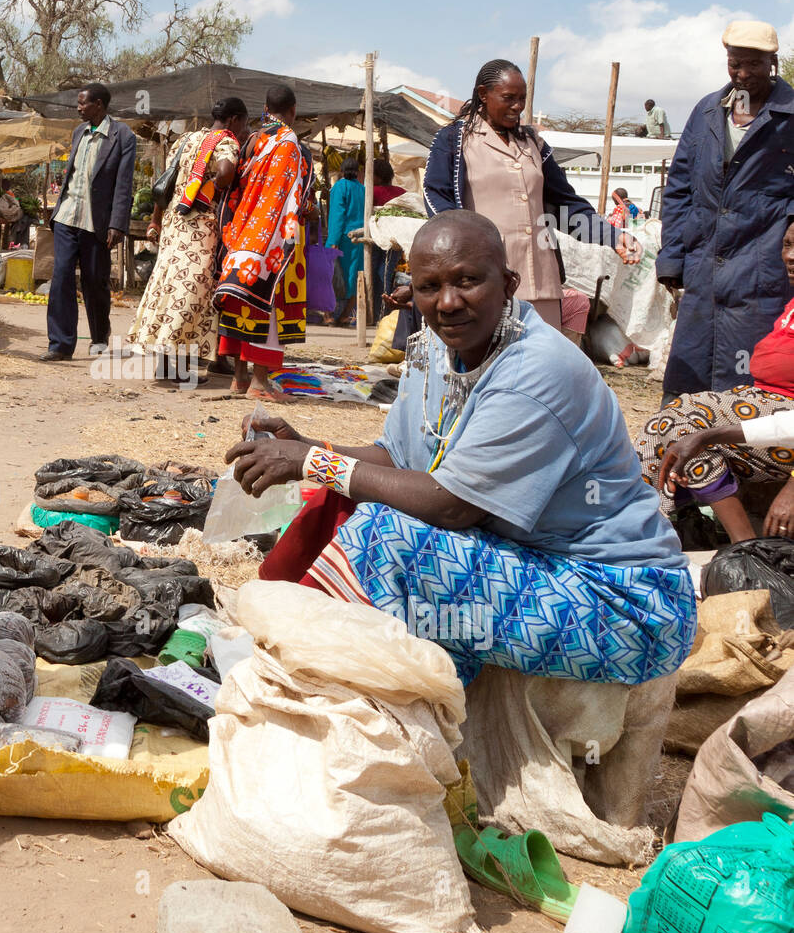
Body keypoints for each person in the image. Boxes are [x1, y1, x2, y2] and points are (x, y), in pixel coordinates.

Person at [228, 211, 694, 688]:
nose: (448, 302)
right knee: (342, 493)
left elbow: (450, 506)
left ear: (508, 284)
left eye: (468, 281)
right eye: (430, 287)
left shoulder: (536, 370)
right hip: (536, 559)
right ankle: (280, 643)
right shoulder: (432, 349)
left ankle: (303, 671)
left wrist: (313, 462)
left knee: (383, 534)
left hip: (623, 602)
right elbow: (396, 459)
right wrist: (306, 449)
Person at [424, 58, 639, 330]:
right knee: (492, 365)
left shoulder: (534, 144)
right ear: (482, 94)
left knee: (542, 365)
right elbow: (436, 198)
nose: (517, 107)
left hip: (542, 281)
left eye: (522, 99)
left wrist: (613, 236)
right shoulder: (454, 141)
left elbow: (566, 205)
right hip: (486, 281)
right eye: (508, 98)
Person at [657, 21, 794, 397]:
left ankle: (741, 451)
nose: (743, 73)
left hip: (762, 272)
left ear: (773, 63)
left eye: (754, 63)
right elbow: (680, 187)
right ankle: (683, 448)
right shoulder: (707, 111)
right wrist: (672, 259)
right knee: (689, 377)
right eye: (735, 63)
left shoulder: (790, 117)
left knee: (749, 382)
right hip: (703, 267)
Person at [636, 218, 794, 542]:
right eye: (788, 244)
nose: (790, 255)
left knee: (689, 425)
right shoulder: (790, 306)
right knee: (664, 424)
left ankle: (746, 549)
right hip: (763, 406)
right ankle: (653, 526)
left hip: (784, 423)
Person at [129, 97, 250, 381]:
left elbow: (165, 182)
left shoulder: (185, 139)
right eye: (243, 122)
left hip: (174, 221)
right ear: (233, 119)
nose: (244, 129)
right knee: (190, 294)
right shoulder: (226, 141)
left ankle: (167, 366)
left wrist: (156, 220)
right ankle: (178, 369)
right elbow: (225, 172)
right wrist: (212, 190)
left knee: (169, 285)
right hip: (199, 225)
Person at [213, 84, 311, 401]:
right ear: (293, 110)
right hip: (271, 237)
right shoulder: (290, 144)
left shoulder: (254, 140)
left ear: (266, 108)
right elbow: (289, 198)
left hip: (240, 234)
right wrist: (284, 238)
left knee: (242, 301)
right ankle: (260, 384)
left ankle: (239, 379)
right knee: (269, 304)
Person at [42, 82, 136, 361]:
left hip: (97, 222)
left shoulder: (122, 136)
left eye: (83, 103)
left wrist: (118, 224)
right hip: (67, 216)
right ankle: (59, 344)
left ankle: (98, 338)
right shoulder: (78, 133)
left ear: (99, 105)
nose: (79, 108)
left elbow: (124, 184)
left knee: (95, 282)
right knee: (61, 277)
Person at [326, 154, 402, 327]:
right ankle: (346, 315)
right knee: (357, 276)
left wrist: (333, 240)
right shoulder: (363, 189)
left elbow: (337, 215)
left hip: (344, 237)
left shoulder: (340, 187)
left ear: (342, 170)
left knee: (331, 275)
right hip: (362, 237)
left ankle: (329, 315)